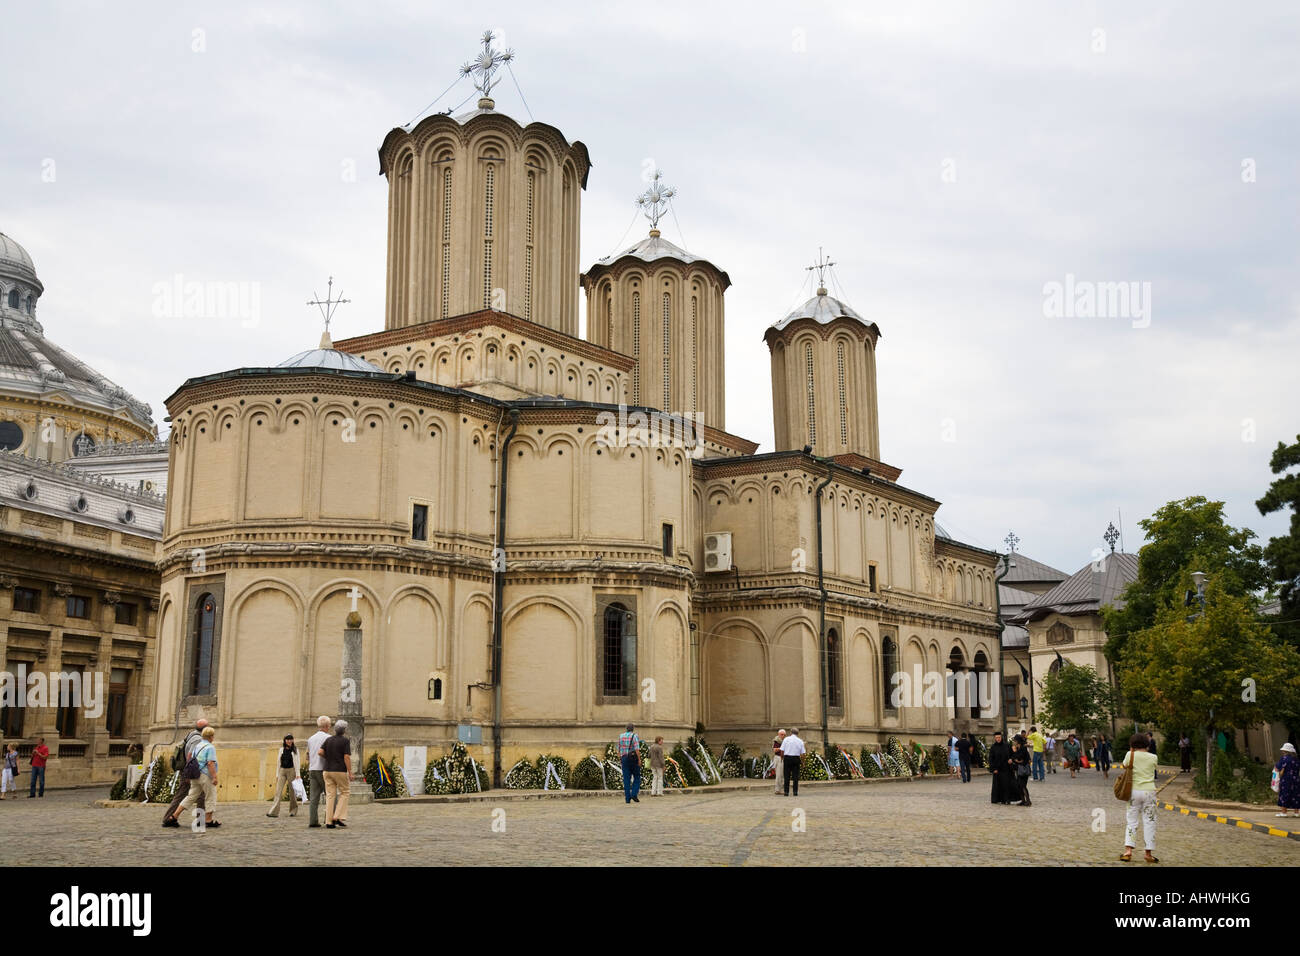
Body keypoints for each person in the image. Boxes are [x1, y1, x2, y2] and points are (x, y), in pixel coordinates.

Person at [169, 726, 219, 829]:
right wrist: (214, 777)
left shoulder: (198, 745)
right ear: (211, 736)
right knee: (210, 796)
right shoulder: (210, 747)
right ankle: (208, 820)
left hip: (195, 775)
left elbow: (190, 757)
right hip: (205, 775)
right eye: (213, 736)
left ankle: (174, 816)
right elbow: (210, 763)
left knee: (191, 797)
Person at [1119, 732, 1158, 863]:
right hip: (1149, 792)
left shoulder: (1130, 755)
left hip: (1133, 792)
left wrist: (1131, 751)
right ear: (1147, 744)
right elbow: (1152, 769)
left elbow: (1124, 765)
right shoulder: (1153, 757)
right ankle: (1148, 853)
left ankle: (1128, 851)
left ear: (1133, 744)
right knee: (1149, 821)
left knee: (1131, 821)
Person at [162, 719, 208, 827]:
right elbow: (190, 756)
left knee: (185, 794)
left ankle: (169, 817)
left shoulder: (191, 734)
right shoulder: (197, 739)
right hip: (191, 771)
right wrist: (189, 773)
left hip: (189, 770)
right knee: (196, 795)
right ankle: (199, 821)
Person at [321, 719, 352, 828]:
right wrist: (350, 772)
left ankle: (329, 822)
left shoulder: (328, 739)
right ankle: (337, 815)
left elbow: (320, 752)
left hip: (327, 770)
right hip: (339, 770)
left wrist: (329, 758)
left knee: (330, 796)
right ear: (344, 730)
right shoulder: (345, 741)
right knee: (345, 792)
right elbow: (346, 757)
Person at [267, 734, 301, 818]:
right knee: (278, 791)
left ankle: (293, 810)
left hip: (291, 771)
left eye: (290, 739)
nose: (289, 741)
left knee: (292, 792)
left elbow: (297, 762)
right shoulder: (281, 750)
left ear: (293, 740)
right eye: (287, 740)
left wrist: (298, 774)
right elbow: (278, 762)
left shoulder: (295, 750)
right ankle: (273, 812)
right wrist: (277, 774)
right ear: (285, 741)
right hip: (282, 771)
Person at [306, 715, 331, 828]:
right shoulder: (328, 738)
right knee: (330, 795)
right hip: (323, 769)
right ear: (326, 726)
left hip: (312, 768)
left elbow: (307, 755)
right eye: (329, 725)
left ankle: (313, 820)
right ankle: (329, 819)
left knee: (314, 797)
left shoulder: (310, 738)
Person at [987, 731, 1014, 805]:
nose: (998, 739)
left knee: (1006, 785)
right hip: (997, 769)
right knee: (998, 785)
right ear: (995, 738)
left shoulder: (1007, 745)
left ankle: (1007, 799)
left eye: (999, 737)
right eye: (996, 738)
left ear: (1001, 737)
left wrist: (1011, 759)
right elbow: (991, 759)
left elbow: (1012, 755)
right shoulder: (993, 747)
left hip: (1006, 769)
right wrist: (993, 769)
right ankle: (998, 799)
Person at [618, 723, 641, 804]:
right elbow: (637, 749)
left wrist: (620, 759)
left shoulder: (621, 736)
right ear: (633, 729)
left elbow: (619, 749)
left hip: (624, 758)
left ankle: (627, 798)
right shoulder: (635, 736)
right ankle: (634, 793)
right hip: (633, 758)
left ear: (626, 728)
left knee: (626, 779)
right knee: (637, 776)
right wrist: (639, 759)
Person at [1274, 742, 1299, 818]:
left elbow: (1277, 768)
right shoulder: (1296, 760)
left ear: (1284, 751)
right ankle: (1296, 813)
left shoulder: (1284, 759)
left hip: (1286, 780)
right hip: (1296, 780)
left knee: (1285, 794)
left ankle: (1284, 813)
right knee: (1296, 795)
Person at [780, 727, 806, 797]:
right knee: (795, 776)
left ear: (791, 733)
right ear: (798, 733)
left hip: (787, 758)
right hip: (796, 758)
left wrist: (782, 758)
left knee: (786, 776)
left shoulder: (786, 739)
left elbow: (782, 750)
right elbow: (803, 753)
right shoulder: (800, 741)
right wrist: (803, 762)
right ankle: (795, 791)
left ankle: (786, 792)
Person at [1011, 735, 1032, 806]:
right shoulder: (1019, 748)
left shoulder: (1023, 748)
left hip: (1024, 770)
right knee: (1019, 786)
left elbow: (1020, 758)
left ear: (1018, 741)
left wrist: (1015, 752)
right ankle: (1023, 800)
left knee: (1023, 786)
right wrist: (1017, 760)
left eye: (1015, 741)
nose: (1014, 742)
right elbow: (1015, 758)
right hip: (1019, 769)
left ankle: (1028, 801)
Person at [772, 730, 786, 794]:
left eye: (784, 735)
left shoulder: (785, 741)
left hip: (783, 758)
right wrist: (782, 748)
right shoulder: (776, 740)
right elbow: (775, 750)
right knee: (779, 774)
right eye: (782, 734)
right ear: (779, 734)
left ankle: (780, 789)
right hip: (778, 758)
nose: (783, 736)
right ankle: (777, 789)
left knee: (782, 775)